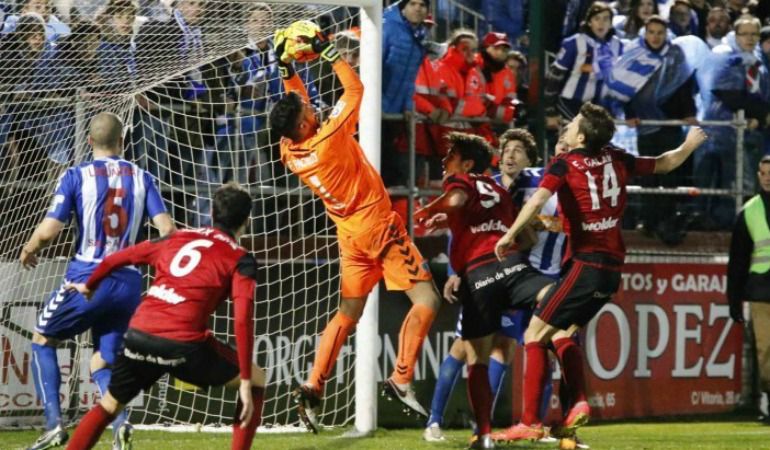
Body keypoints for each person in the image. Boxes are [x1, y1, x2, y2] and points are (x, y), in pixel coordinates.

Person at [492, 103, 708, 441]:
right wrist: (689, 145)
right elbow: (665, 163)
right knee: (562, 334)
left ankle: (530, 422)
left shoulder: (565, 163)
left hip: (585, 264)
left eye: (574, 123)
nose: (568, 125)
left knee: (534, 334)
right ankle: (576, 407)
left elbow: (535, 201)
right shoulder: (615, 156)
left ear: (580, 137)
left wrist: (509, 235)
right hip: (611, 269)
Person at [268, 20, 442, 433]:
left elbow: (296, 102)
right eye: (309, 112)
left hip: (349, 236)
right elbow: (355, 90)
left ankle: (313, 385)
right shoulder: (329, 139)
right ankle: (401, 378)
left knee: (348, 313)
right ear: (305, 125)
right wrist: (328, 52)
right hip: (378, 227)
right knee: (428, 300)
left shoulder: (289, 150)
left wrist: (285, 68)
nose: (313, 108)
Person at [63, 183, 264, 450]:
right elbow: (242, 319)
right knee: (258, 379)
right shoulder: (240, 258)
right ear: (247, 220)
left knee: (109, 404)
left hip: (139, 335)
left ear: (212, 213)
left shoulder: (176, 238)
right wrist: (246, 382)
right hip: (185, 345)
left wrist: (89, 286)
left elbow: (114, 260)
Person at [19, 112, 175, 450]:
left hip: (88, 277)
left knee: (42, 339)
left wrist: (30, 248)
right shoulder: (142, 176)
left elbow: (49, 231)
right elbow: (167, 230)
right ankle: (121, 424)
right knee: (102, 360)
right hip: (128, 283)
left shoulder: (76, 175)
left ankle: (54, 425)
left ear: (89, 141)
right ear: (123, 141)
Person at [421, 129, 566, 444]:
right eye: (506, 150)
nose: (510, 155)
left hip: (527, 276)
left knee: (525, 348)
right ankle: (435, 421)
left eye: (518, 151)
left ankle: (517, 425)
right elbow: (459, 226)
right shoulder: (488, 185)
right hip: (489, 274)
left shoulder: (542, 184)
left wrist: (531, 223)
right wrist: (455, 271)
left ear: (530, 160)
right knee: (465, 347)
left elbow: (560, 225)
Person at [605, 16, 698, 238]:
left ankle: (667, 221)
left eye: (660, 32)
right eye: (651, 32)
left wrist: (688, 113)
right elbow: (624, 87)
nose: (655, 37)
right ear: (645, 33)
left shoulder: (675, 54)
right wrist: (630, 114)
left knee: (670, 176)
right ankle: (648, 222)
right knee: (648, 174)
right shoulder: (634, 53)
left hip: (670, 124)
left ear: (666, 34)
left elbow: (684, 85)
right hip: (645, 126)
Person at [727, 155, 770, 420]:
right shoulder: (749, 211)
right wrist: (734, 299)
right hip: (761, 289)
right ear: (758, 176)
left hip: (760, 288)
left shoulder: (749, 210)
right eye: (763, 173)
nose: (767, 178)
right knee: (765, 350)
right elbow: (738, 260)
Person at [545, 2, 623, 127]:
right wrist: (550, 111)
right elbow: (554, 77)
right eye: (597, 18)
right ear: (589, 22)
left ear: (611, 23)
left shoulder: (618, 45)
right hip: (572, 102)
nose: (601, 23)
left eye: (605, 19)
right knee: (580, 135)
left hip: (601, 105)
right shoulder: (574, 42)